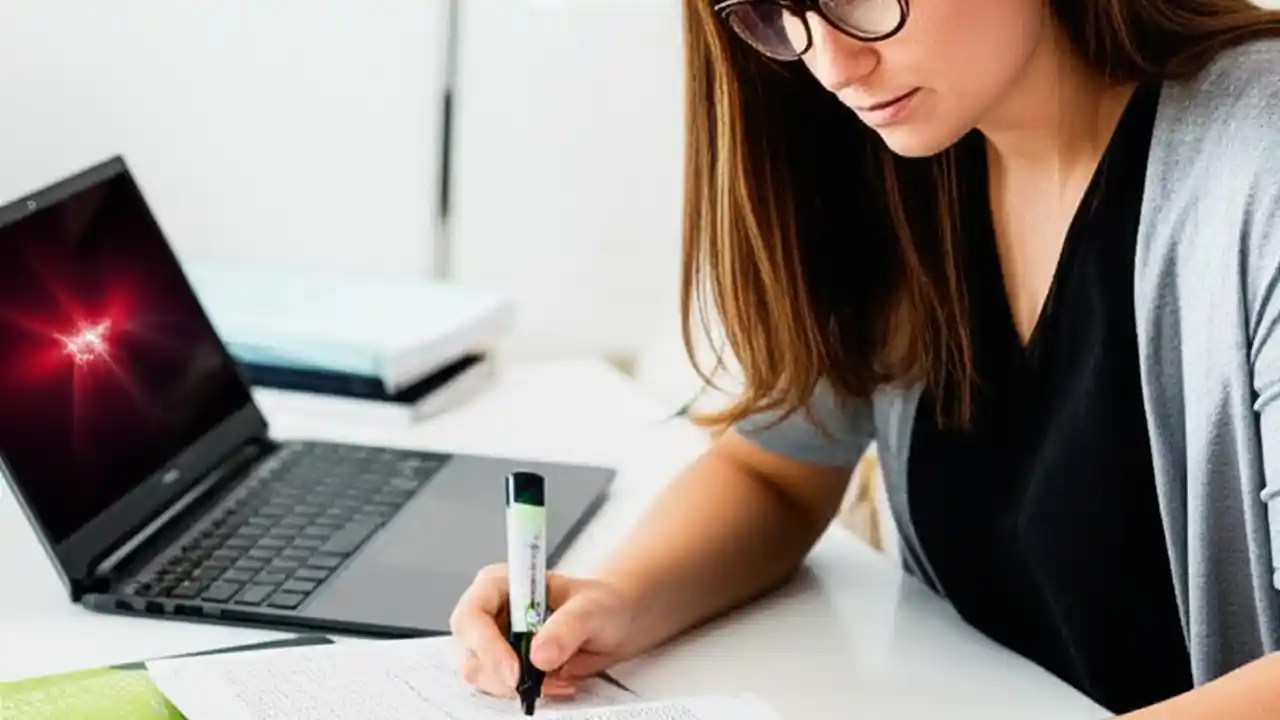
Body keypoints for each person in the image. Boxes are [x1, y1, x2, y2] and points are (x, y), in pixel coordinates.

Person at [450, 0, 1280, 715]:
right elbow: (776, 473)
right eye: (778, 12)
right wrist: (612, 601)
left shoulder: (1259, 165)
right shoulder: (908, 158)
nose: (834, 62)